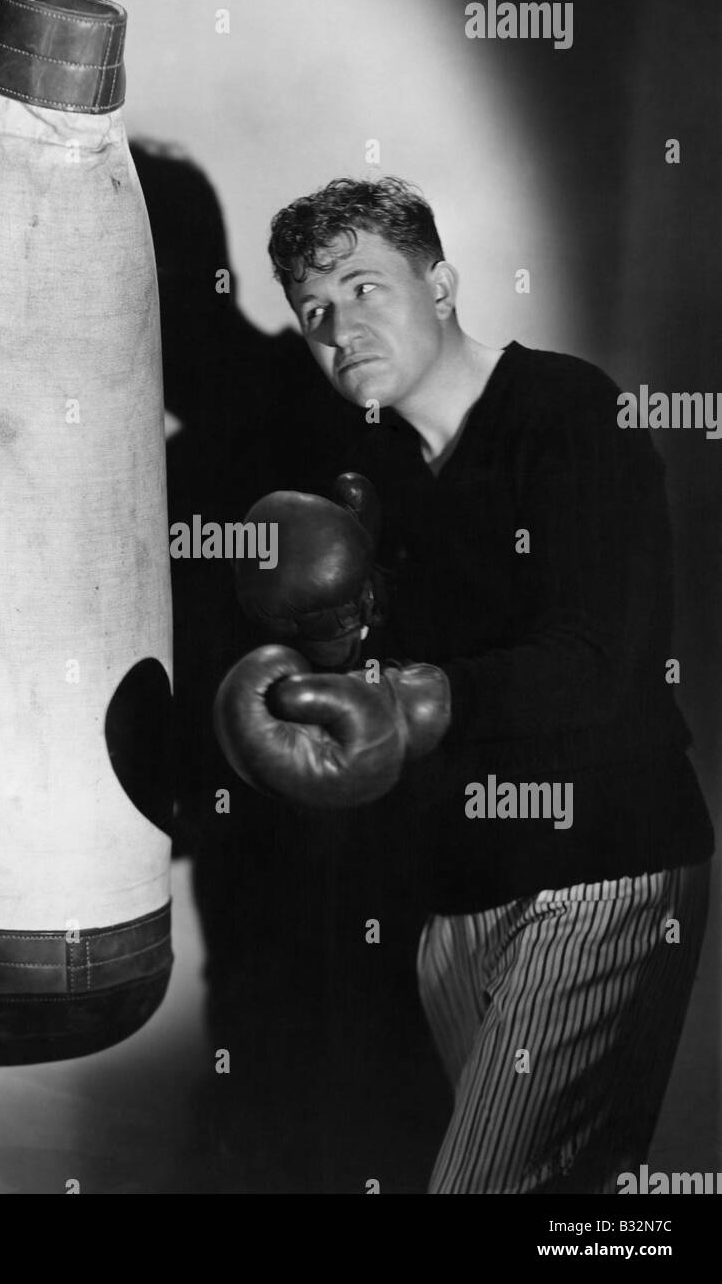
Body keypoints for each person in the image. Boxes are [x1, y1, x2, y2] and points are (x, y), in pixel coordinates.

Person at [214, 175, 715, 1193]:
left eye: (364, 287)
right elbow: (374, 702)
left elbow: (598, 663)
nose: (337, 326)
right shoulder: (372, 473)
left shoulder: (567, 411)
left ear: (438, 282)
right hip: (454, 896)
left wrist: (411, 699)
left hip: (598, 869)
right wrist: (323, 662)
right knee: (575, 1195)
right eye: (313, 310)